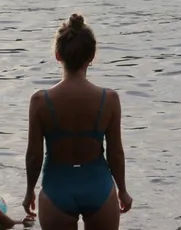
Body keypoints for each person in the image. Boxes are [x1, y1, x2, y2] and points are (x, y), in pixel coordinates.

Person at [24, 14, 132, 229]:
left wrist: (29, 191)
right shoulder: (109, 99)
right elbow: (115, 152)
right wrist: (122, 189)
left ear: (57, 55)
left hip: (57, 187)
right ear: (92, 56)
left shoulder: (40, 101)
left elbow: (34, 155)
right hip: (98, 186)